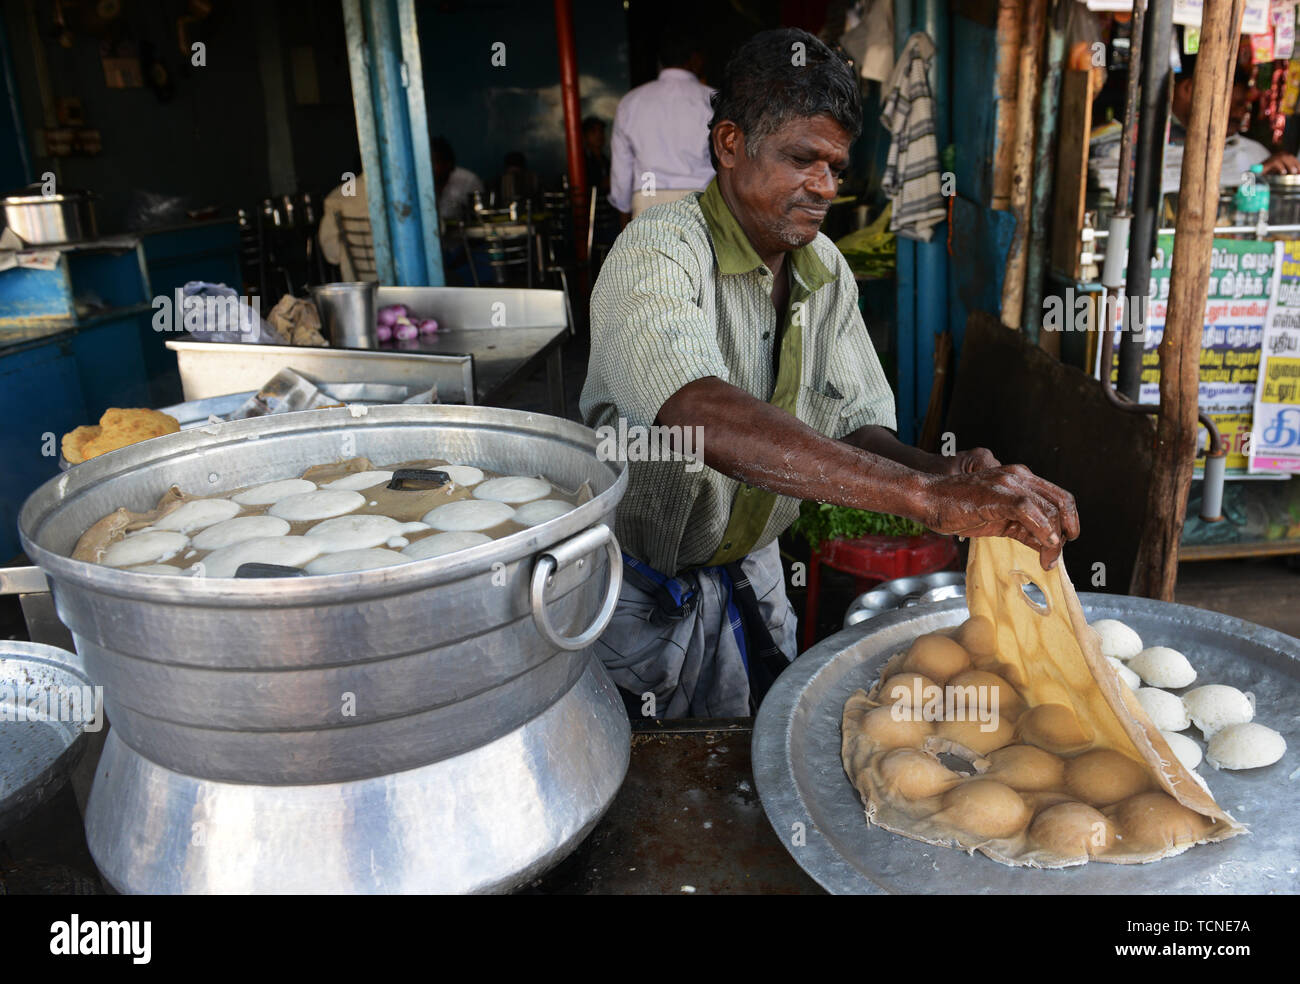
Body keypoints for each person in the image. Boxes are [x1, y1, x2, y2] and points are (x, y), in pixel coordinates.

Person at [581, 29, 1078, 719]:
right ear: (730, 145)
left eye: (836, 168)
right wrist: (922, 498)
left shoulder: (824, 270)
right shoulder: (657, 253)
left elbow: (856, 424)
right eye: (801, 159)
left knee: (748, 767)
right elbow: (698, 411)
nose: (824, 187)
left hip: (751, 576)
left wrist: (941, 473)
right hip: (636, 592)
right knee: (649, 791)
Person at [608, 33, 715, 220]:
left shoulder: (631, 102)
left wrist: (625, 213)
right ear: (695, 59)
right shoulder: (712, 100)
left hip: (648, 199)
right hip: (701, 203)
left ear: (660, 62)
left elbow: (622, 170)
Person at [1172, 51, 1300, 182]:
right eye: (1235, 104)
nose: (1240, 114)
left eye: (1244, 107)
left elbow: (1248, 195)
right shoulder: (1157, 137)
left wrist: (1258, 176)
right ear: (1190, 89)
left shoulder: (1253, 154)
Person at [318, 167, 375, 282]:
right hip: (411, 287)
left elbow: (332, 255)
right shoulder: (413, 187)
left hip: (363, 290)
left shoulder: (337, 199)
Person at [432, 136, 485, 225]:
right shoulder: (421, 183)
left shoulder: (468, 181)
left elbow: (480, 217)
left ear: (448, 164)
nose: (430, 168)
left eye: (434, 162)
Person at [582, 116, 611, 194]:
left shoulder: (606, 161)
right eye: (593, 131)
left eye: (601, 131)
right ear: (584, 137)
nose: (599, 135)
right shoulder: (581, 162)